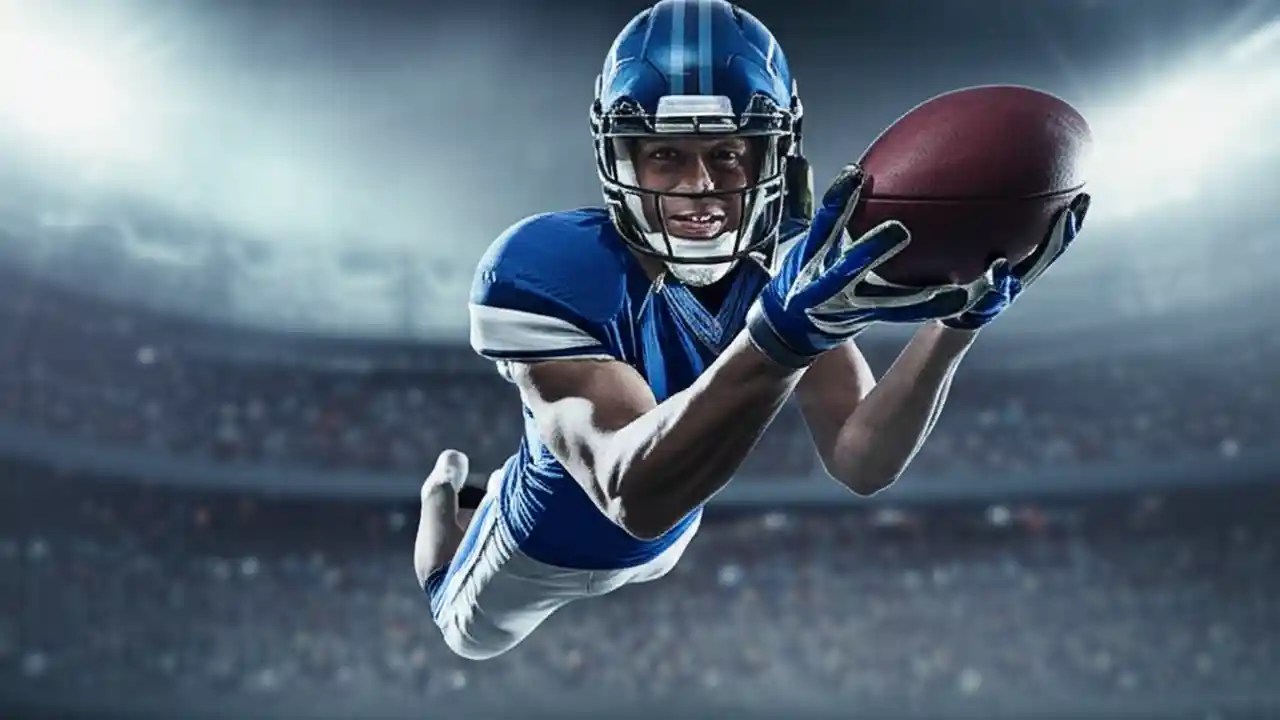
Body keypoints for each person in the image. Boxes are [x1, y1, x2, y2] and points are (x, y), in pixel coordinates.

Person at [413, 0, 1089, 661]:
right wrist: (782, 338)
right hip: (540, 550)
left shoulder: (785, 262)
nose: (700, 185)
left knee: (660, 528)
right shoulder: (545, 269)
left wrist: (955, 325)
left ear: (774, 156)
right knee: (467, 633)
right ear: (620, 157)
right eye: (666, 154)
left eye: (729, 152)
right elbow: (630, 494)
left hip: (679, 518)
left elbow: (861, 459)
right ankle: (445, 500)